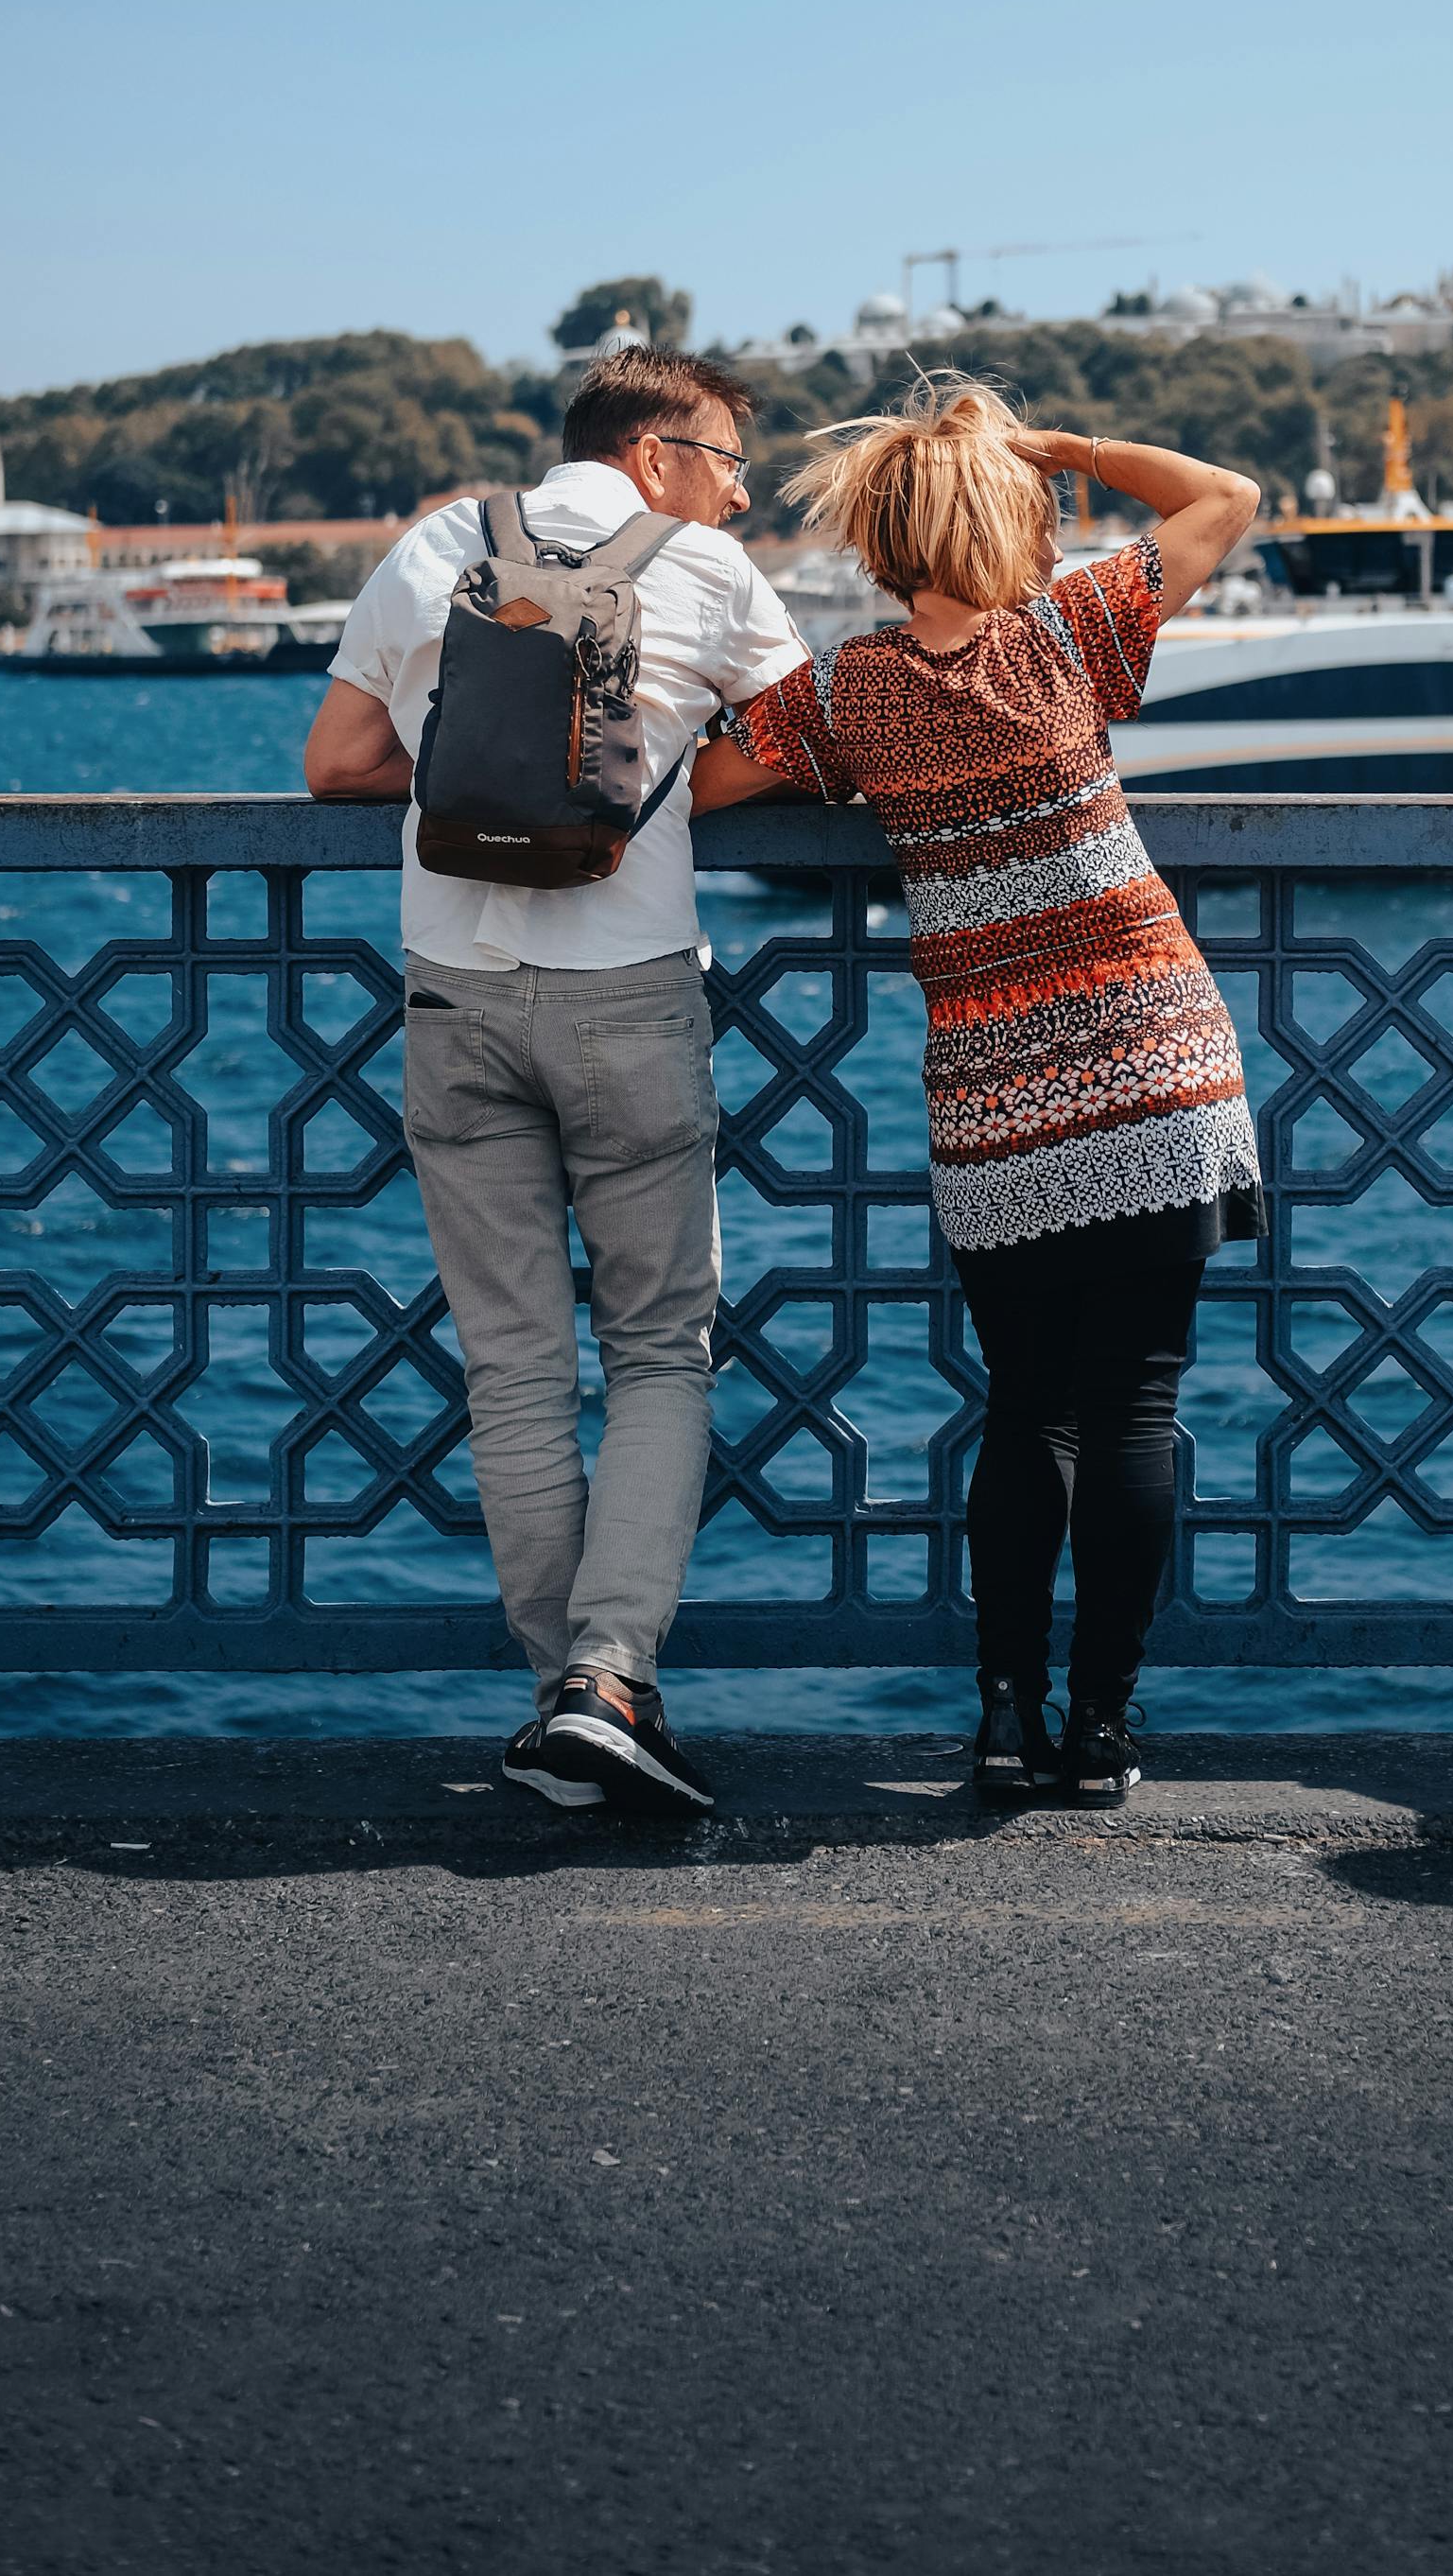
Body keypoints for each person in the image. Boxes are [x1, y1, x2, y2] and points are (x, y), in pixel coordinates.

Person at [691, 384, 1264, 1805]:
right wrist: (1057, 445)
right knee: (1134, 1409)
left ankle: (1006, 1719)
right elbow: (1227, 496)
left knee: (1027, 1412)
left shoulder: (846, 696)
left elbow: (694, 786)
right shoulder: (1071, 630)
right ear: (1008, 522)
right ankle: (1103, 1730)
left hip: (996, 1093)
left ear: (885, 541)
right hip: (1154, 1060)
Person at [304, 351, 804, 1818]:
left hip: (452, 992)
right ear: (656, 455)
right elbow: (799, 747)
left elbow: (335, 761)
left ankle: (558, 1710)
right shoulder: (706, 570)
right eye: (728, 464)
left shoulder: (436, 544)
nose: (738, 498)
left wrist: (478, 767)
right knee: (656, 1352)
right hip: (627, 995)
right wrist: (647, 775)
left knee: (515, 1363)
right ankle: (609, 1678)